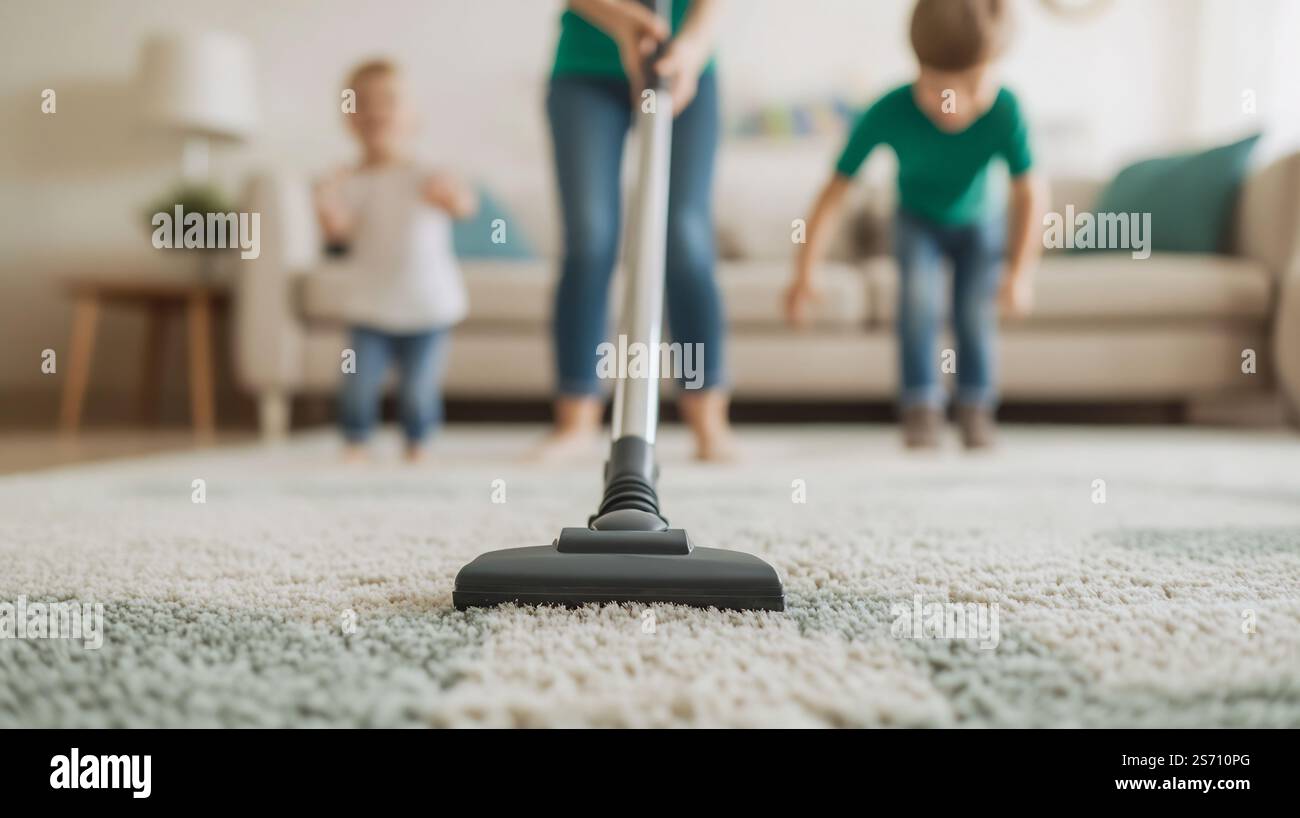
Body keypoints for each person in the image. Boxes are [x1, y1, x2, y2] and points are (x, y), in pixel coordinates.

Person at [785, 0, 1045, 449]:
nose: (954, 107)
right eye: (940, 90)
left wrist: (1020, 274)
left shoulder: (1007, 111)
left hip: (980, 224)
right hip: (916, 221)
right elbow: (834, 192)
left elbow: (1031, 193)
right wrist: (805, 271)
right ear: (918, 70)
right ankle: (921, 406)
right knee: (917, 305)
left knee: (973, 314)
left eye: (972, 87)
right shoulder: (889, 110)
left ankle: (975, 407)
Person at [538, 0, 734, 461]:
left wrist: (693, 44)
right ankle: (576, 423)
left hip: (686, 62)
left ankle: (710, 425)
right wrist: (627, 22)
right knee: (590, 238)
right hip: (583, 69)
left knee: (685, 236)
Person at [314, 59, 478, 462]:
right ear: (349, 118)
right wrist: (326, 203)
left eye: (388, 101)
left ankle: (417, 442)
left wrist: (451, 196)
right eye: (363, 103)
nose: (376, 111)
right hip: (371, 305)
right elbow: (338, 233)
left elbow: (463, 206)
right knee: (358, 380)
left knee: (418, 387)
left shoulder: (428, 171)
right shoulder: (349, 179)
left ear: (413, 115)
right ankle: (356, 440)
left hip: (427, 305)